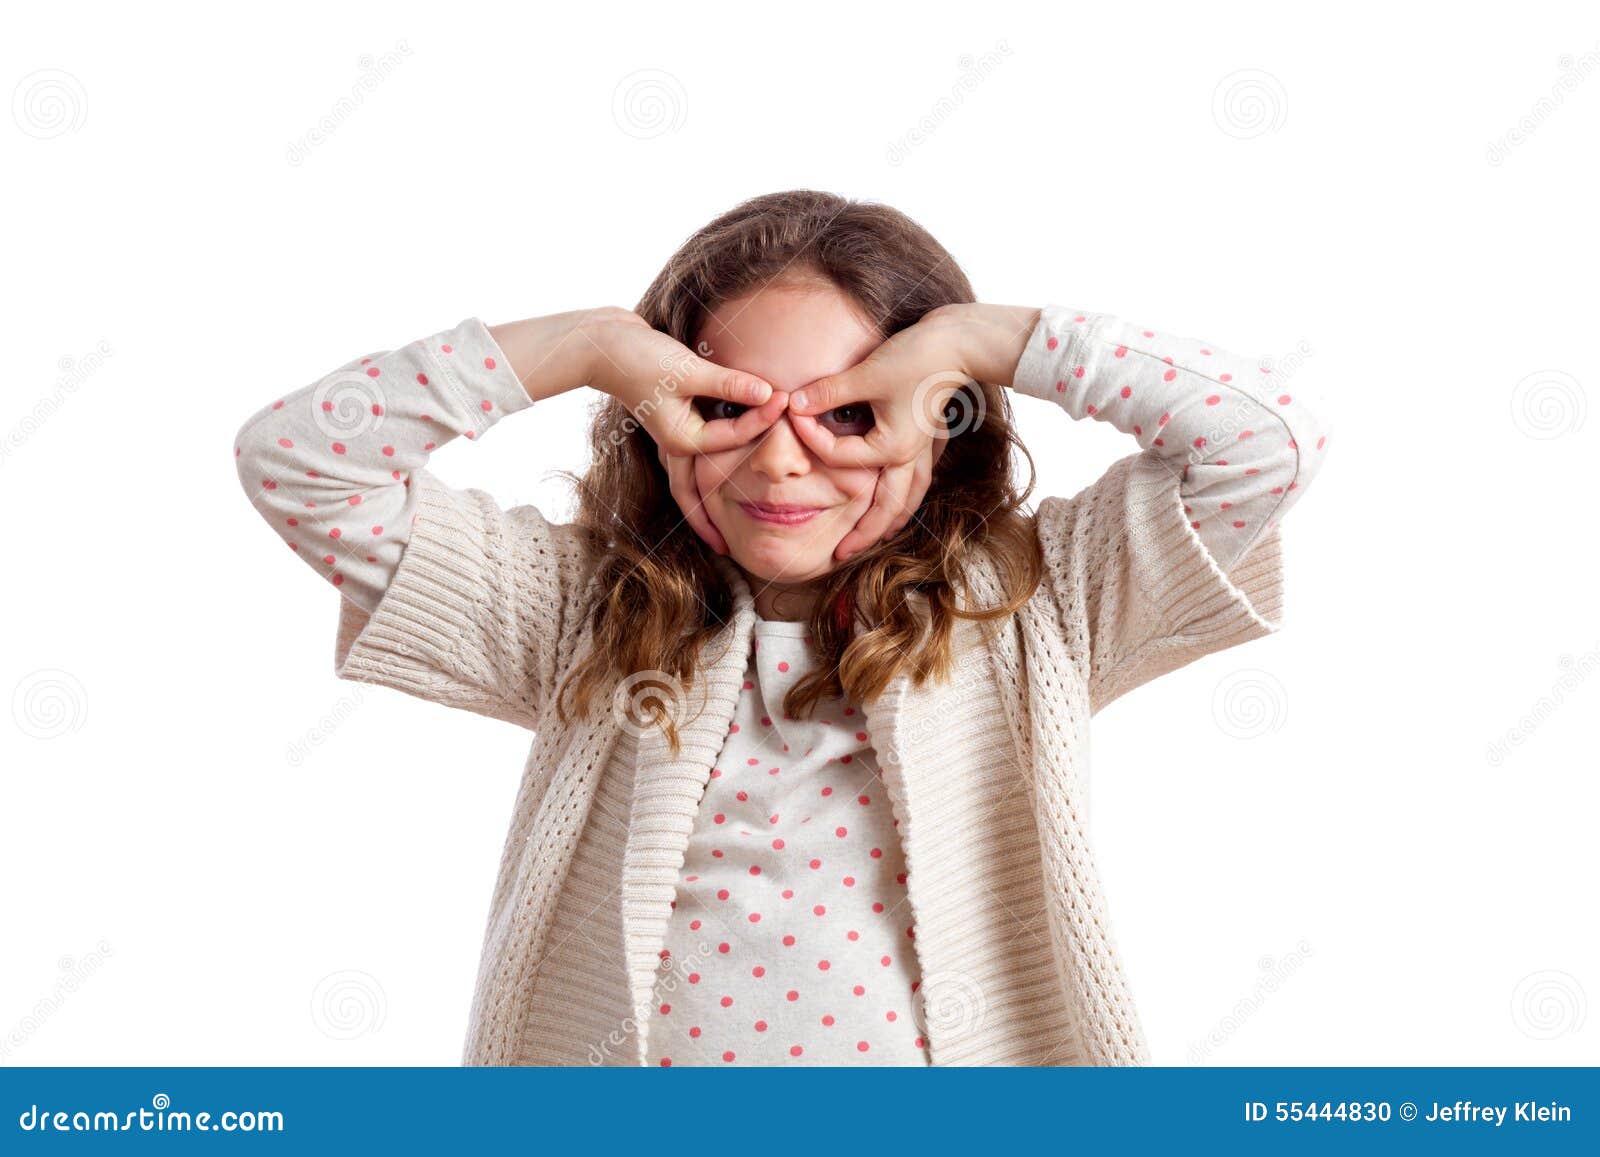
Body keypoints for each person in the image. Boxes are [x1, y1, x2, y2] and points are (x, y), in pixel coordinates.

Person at [232, 189, 1331, 1066]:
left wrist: (987, 338)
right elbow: (299, 462)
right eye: (725, 408)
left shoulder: (1037, 598)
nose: (781, 459)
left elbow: (1268, 443)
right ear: (656, 416)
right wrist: (581, 347)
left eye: (849, 412)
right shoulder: (579, 608)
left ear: (942, 422)